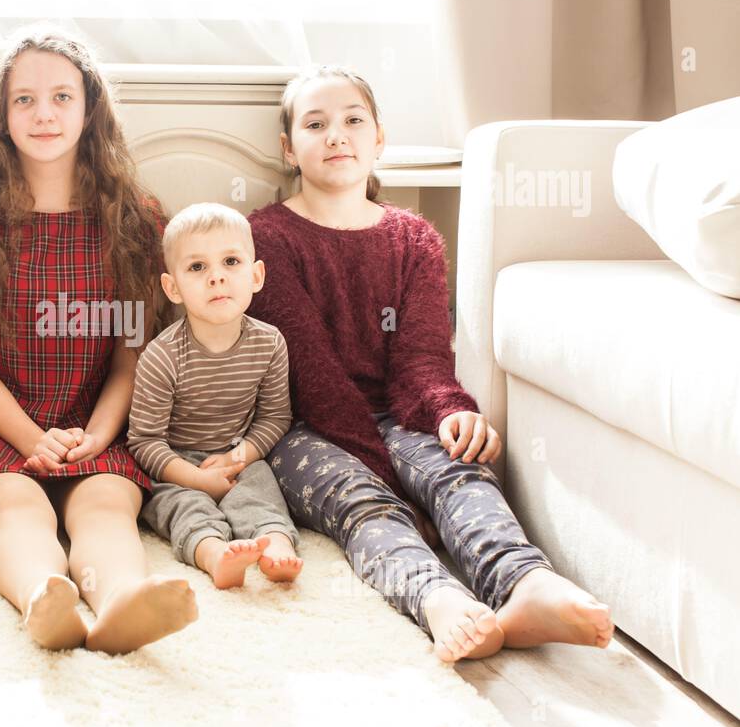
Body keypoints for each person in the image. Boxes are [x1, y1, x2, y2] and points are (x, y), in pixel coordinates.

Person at [249, 64, 614, 662]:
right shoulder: (267, 237)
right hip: (302, 425)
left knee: (459, 469)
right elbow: (310, 376)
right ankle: (438, 599)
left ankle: (523, 582)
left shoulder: (413, 238)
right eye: (315, 125)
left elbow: (419, 357)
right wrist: (387, 472)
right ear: (290, 149)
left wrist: (448, 411)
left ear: (379, 139)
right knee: (361, 501)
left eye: (352, 121)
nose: (336, 135)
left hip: (396, 411)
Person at [0, 27, 197, 653]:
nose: (43, 114)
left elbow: (132, 358)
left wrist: (99, 434)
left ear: (90, 107)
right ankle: (44, 598)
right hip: (0, 431)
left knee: (105, 507)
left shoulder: (133, 216)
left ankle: (121, 602)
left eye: (60, 97)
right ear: (1, 113)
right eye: (23, 99)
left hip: (93, 426)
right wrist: (31, 439)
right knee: (18, 511)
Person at [127, 202, 302, 589]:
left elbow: (274, 418)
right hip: (174, 463)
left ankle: (274, 544)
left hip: (238, 454)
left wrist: (238, 457)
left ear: (256, 276)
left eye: (230, 262)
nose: (217, 279)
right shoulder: (162, 355)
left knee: (260, 489)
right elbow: (144, 441)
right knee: (181, 506)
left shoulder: (270, 343)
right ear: (172, 288)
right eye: (197, 267)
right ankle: (214, 555)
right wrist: (194, 478)